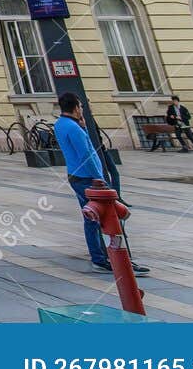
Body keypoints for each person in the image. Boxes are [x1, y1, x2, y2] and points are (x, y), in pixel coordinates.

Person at [54, 92, 149, 277]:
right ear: (75, 108)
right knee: (109, 217)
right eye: (81, 106)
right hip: (88, 178)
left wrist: (84, 128)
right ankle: (114, 260)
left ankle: (102, 257)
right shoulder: (73, 129)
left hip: (76, 176)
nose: (82, 109)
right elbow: (86, 154)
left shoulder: (61, 124)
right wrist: (99, 178)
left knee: (91, 218)